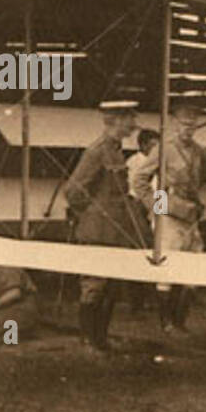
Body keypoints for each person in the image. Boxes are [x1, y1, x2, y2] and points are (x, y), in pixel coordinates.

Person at [131, 102, 206, 334]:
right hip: (169, 217)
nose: (188, 130)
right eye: (184, 126)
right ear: (175, 125)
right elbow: (140, 181)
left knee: (192, 266)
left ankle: (179, 321)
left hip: (191, 215)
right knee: (166, 268)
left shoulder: (196, 150)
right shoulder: (164, 149)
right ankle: (166, 323)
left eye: (192, 127)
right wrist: (160, 207)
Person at [64, 100, 147, 351]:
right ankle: (89, 340)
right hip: (98, 231)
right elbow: (73, 191)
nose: (134, 124)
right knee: (93, 287)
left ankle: (100, 339)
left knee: (109, 286)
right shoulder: (97, 151)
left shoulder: (116, 150)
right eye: (129, 118)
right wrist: (93, 214)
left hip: (115, 232)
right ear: (116, 120)